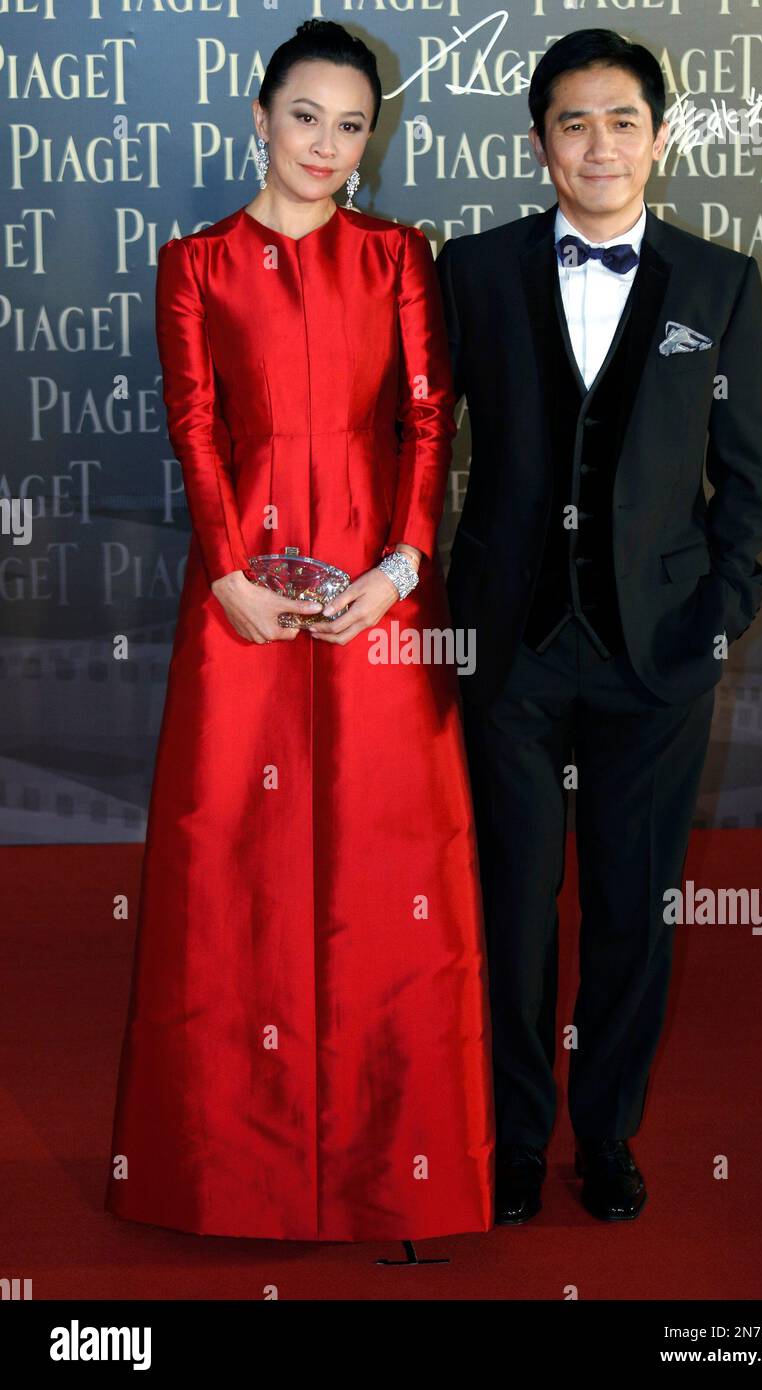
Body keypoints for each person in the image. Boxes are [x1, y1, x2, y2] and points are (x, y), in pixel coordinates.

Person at [104, 19, 494, 1244]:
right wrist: (226, 573)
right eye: (305, 115)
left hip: (378, 596)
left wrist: (400, 565)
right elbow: (196, 423)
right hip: (241, 603)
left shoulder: (397, 257)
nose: (326, 144)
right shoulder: (195, 263)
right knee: (231, 859)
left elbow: (431, 422)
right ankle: (227, 1170)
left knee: (389, 869)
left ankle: (399, 1168)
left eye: (351, 124)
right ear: (259, 116)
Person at [436, 28, 762, 1225]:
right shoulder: (469, 273)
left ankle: (607, 1132)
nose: (597, 143)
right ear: (539, 144)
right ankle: (516, 1135)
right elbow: (417, 441)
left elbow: (745, 486)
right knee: (514, 907)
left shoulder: (720, 282)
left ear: (659, 135)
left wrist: (714, 621)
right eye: (571, 122)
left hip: (657, 657)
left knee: (633, 913)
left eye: (620, 118)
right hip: (511, 652)